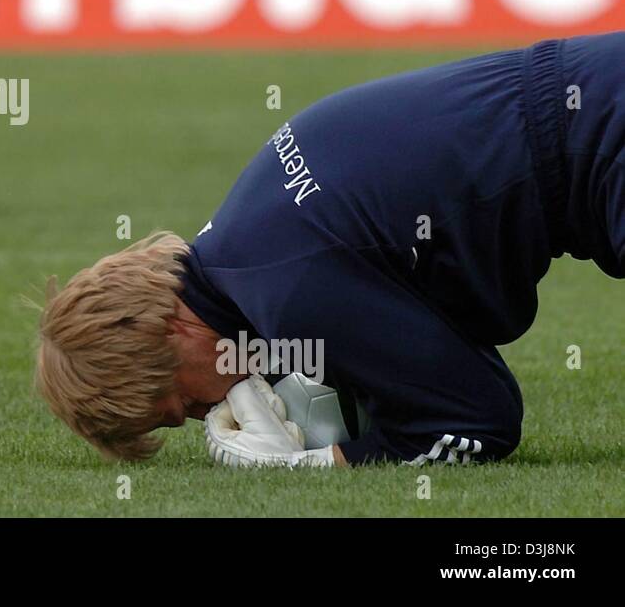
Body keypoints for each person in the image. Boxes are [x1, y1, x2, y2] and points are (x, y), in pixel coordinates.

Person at [37, 32, 625, 466]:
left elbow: (476, 424)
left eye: (184, 405)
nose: (209, 416)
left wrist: (319, 464)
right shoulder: (245, 237)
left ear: (172, 335)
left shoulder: (289, 291)